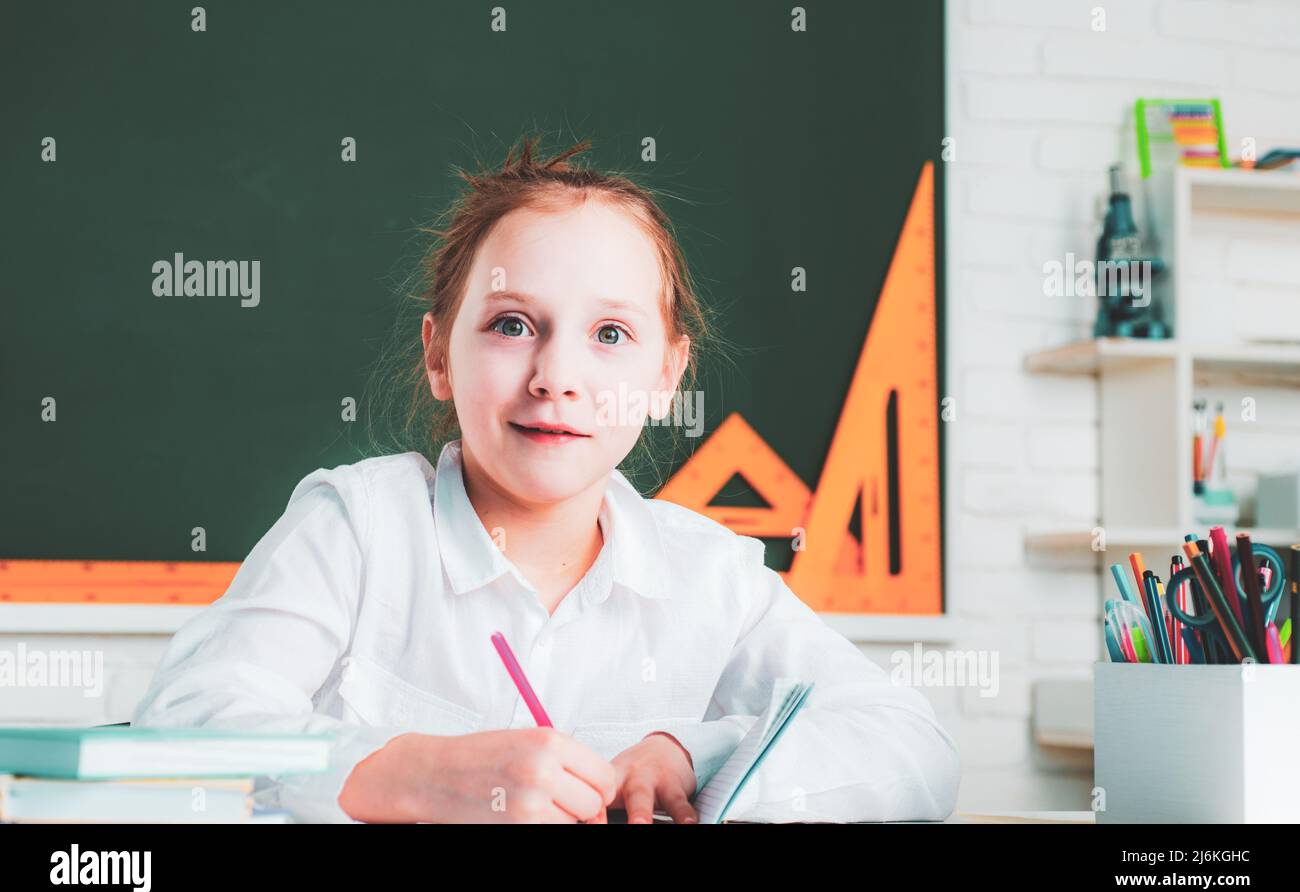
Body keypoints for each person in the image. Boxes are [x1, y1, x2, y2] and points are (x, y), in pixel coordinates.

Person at [133, 136, 960, 824]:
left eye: (609, 332)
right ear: (437, 354)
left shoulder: (712, 579)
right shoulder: (357, 527)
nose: (556, 375)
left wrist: (694, 752)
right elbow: (175, 737)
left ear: (669, 375)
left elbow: (912, 748)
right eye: (512, 324)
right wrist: (412, 774)